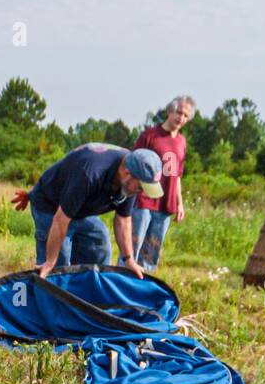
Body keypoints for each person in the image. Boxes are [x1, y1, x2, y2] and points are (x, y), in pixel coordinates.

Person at [11, 144, 164, 279]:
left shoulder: (132, 180)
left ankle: (85, 298)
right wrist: (51, 261)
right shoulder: (91, 173)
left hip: (80, 210)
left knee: (100, 244)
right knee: (58, 265)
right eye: (140, 187)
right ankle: (50, 301)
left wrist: (129, 260)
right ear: (126, 173)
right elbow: (61, 219)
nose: (141, 192)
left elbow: (123, 219)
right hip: (51, 206)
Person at [131, 95, 194, 271]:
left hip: (166, 204)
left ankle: (144, 286)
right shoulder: (150, 135)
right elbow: (133, 163)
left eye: (185, 116)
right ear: (169, 111)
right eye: (178, 113)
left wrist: (180, 204)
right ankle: (123, 281)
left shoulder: (182, 141)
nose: (181, 118)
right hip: (144, 200)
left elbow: (177, 175)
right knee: (133, 247)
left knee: (152, 252)